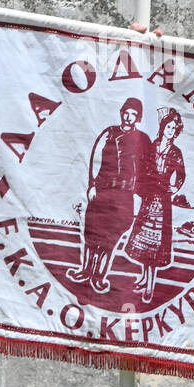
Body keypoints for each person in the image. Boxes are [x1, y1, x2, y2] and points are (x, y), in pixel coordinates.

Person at [67, 99, 151, 294]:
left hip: (124, 195)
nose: (128, 117)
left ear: (138, 117)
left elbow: (146, 171)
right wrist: (92, 186)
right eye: (126, 112)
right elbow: (95, 158)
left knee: (110, 238)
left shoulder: (142, 139)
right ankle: (85, 270)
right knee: (91, 233)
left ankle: (98, 276)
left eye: (133, 114)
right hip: (103, 191)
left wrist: (139, 195)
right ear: (121, 113)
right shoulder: (109, 133)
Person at [125, 108, 186, 305]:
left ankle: (150, 286)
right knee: (144, 243)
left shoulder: (176, 152)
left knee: (155, 247)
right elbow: (144, 167)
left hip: (162, 201)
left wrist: (174, 187)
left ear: (176, 132)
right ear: (162, 128)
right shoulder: (154, 145)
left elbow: (182, 174)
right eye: (168, 127)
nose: (170, 130)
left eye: (173, 128)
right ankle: (143, 278)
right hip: (149, 198)